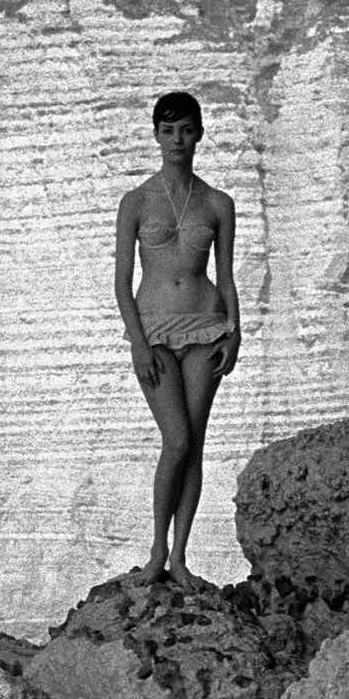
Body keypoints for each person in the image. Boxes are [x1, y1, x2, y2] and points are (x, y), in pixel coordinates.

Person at [113, 90, 241, 589]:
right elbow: (122, 281)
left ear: (200, 134)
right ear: (156, 135)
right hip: (155, 330)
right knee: (177, 439)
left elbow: (225, 276)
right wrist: (139, 344)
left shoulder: (218, 203)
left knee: (196, 443)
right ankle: (156, 551)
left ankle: (181, 557)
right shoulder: (137, 202)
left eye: (186, 130)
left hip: (207, 325)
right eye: (168, 131)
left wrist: (236, 332)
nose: (177, 141)